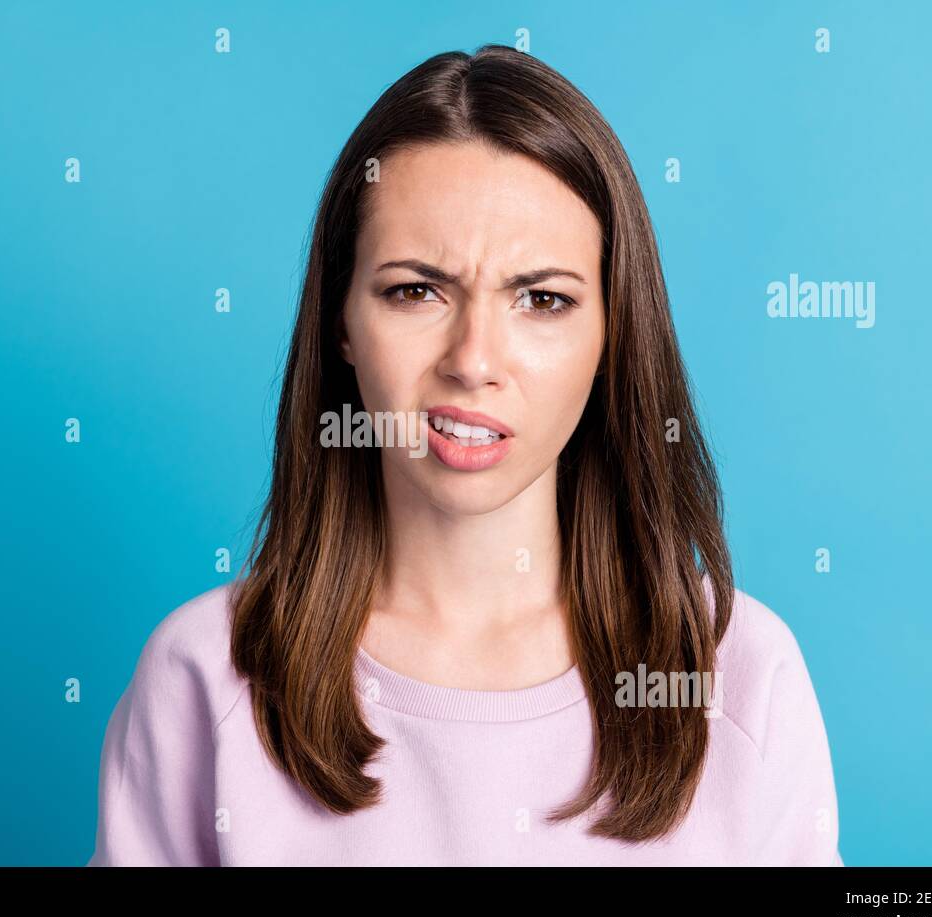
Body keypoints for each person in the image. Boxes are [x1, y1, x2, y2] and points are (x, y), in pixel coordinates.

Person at [88, 44, 843, 866]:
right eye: (416, 290)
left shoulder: (741, 677)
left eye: (542, 299)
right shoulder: (201, 679)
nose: (473, 359)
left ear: (612, 336)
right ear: (342, 321)